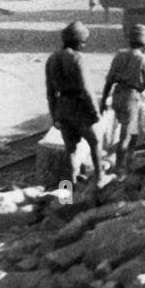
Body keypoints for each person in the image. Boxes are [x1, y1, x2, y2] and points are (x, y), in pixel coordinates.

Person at [44, 21, 103, 193]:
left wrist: (54, 115)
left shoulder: (52, 59)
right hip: (78, 107)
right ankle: (100, 179)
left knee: (70, 150)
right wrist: (95, 111)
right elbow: (86, 89)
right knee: (95, 142)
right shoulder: (77, 58)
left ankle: (66, 193)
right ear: (78, 41)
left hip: (62, 107)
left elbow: (50, 92)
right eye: (83, 42)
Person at [99, 24, 145, 174]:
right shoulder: (144, 60)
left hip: (117, 95)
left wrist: (104, 100)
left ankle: (130, 160)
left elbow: (109, 80)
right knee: (126, 135)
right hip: (131, 98)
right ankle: (119, 169)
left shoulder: (119, 55)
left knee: (133, 131)